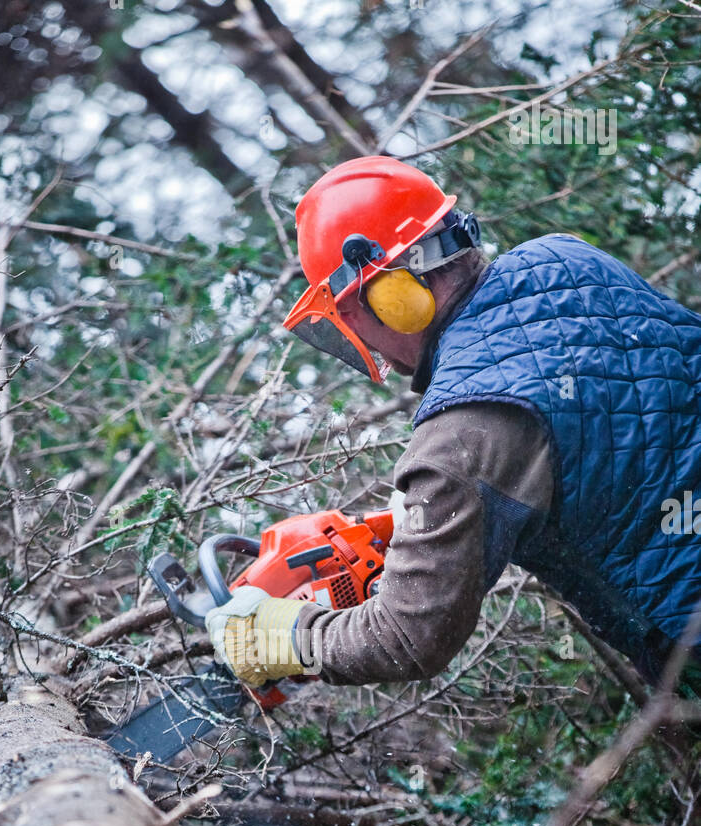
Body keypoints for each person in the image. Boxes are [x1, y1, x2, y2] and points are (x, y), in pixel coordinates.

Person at [205, 155, 701, 695]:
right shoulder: (564, 258)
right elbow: (621, 425)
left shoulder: (460, 435)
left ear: (393, 296)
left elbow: (406, 637)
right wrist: (425, 520)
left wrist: (289, 636)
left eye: (351, 316)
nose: (364, 341)